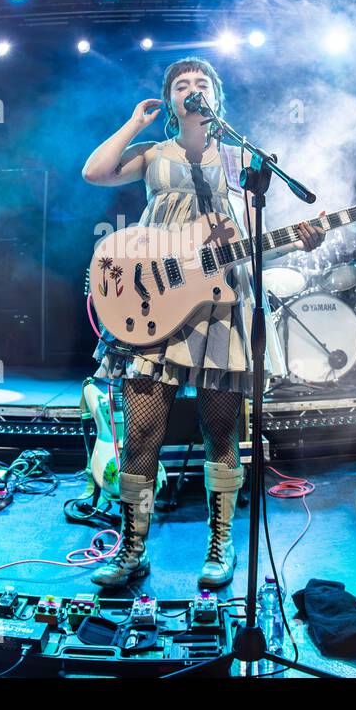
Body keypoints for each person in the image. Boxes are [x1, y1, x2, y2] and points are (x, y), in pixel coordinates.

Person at [82, 58, 324, 587]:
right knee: (142, 430)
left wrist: (300, 236)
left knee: (221, 429)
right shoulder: (152, 153)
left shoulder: (239, 157)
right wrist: (133, 124)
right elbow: (94, 172)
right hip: (155, 298)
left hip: (219, 299)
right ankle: (132, 548)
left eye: (201, 85)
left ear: (216, 98)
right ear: (169, 101)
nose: (192, 91)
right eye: (180, 86)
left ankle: (220, 541)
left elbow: (252, 234)